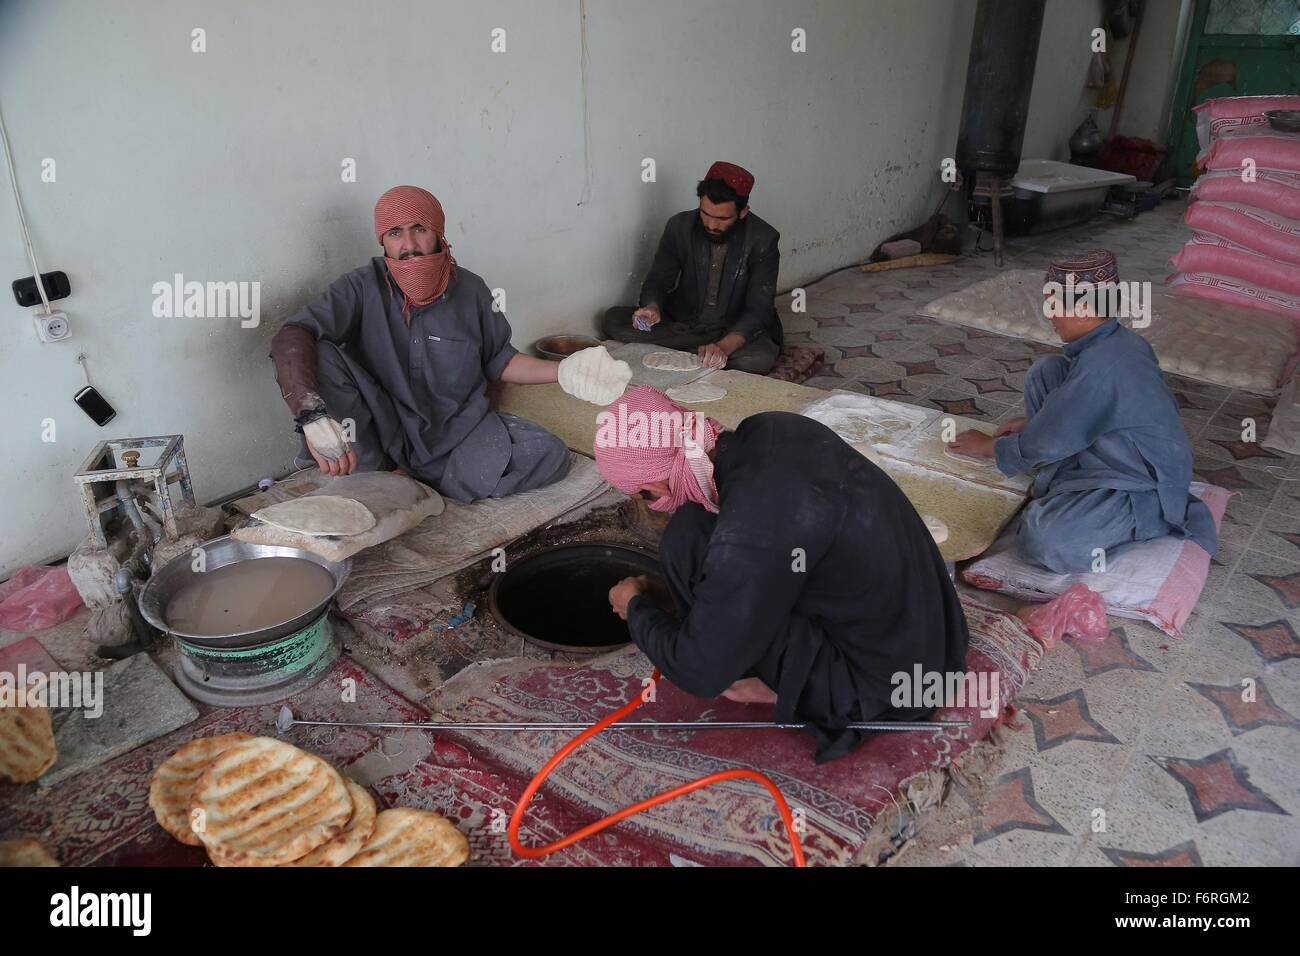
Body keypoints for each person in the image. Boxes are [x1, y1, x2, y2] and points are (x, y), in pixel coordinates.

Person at [593, 386, 969, 761]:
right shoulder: (772, 428)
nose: (654, 505)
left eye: (644, 496)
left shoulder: (753, 528)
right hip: (931, 634)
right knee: (692, 529)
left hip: (887, 687)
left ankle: (767, 680)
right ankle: (747, 655)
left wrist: (637, 608)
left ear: (654, 487)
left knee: (684, 543)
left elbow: (698, 673)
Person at [269, 185, 570, 502]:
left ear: (439, 234)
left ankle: (433, 485)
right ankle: (381, 474)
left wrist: (566, 370)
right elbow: (292, 334)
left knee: (549, 453)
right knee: (318, 352)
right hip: (385, 435)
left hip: (455, 434)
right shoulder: (360, 286)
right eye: (395, 233)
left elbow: (500, 360)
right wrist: (310, 415)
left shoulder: (472, 290)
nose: (409, 245)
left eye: (419, 229)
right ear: (382, 241)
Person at [947, 250, 1217, 572]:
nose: (1049, 315)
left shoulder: (1103, 365)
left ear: (1085, 307)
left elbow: (1048, 438)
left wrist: (988, 446)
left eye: (1054, 305)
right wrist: (1037, 422)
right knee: (1047, 371)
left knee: (1045, 540)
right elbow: (1087, 407)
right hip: (1114, 449)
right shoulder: (1120, 342)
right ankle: (1064, 484)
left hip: (1139, 484)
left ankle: (1140, 521)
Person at [601, 161, 783, 375]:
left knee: (757, 360)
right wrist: (652, 306)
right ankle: (697, 352)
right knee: (612, 319)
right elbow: (659, 279)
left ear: (743, 212)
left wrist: (724, 347)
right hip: (686, 323)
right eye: (705, 214)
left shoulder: (763, 239)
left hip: (732, 329)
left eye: (722, 218)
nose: (712, 225)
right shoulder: (679, 226)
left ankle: (693, 352)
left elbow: (759, 309)